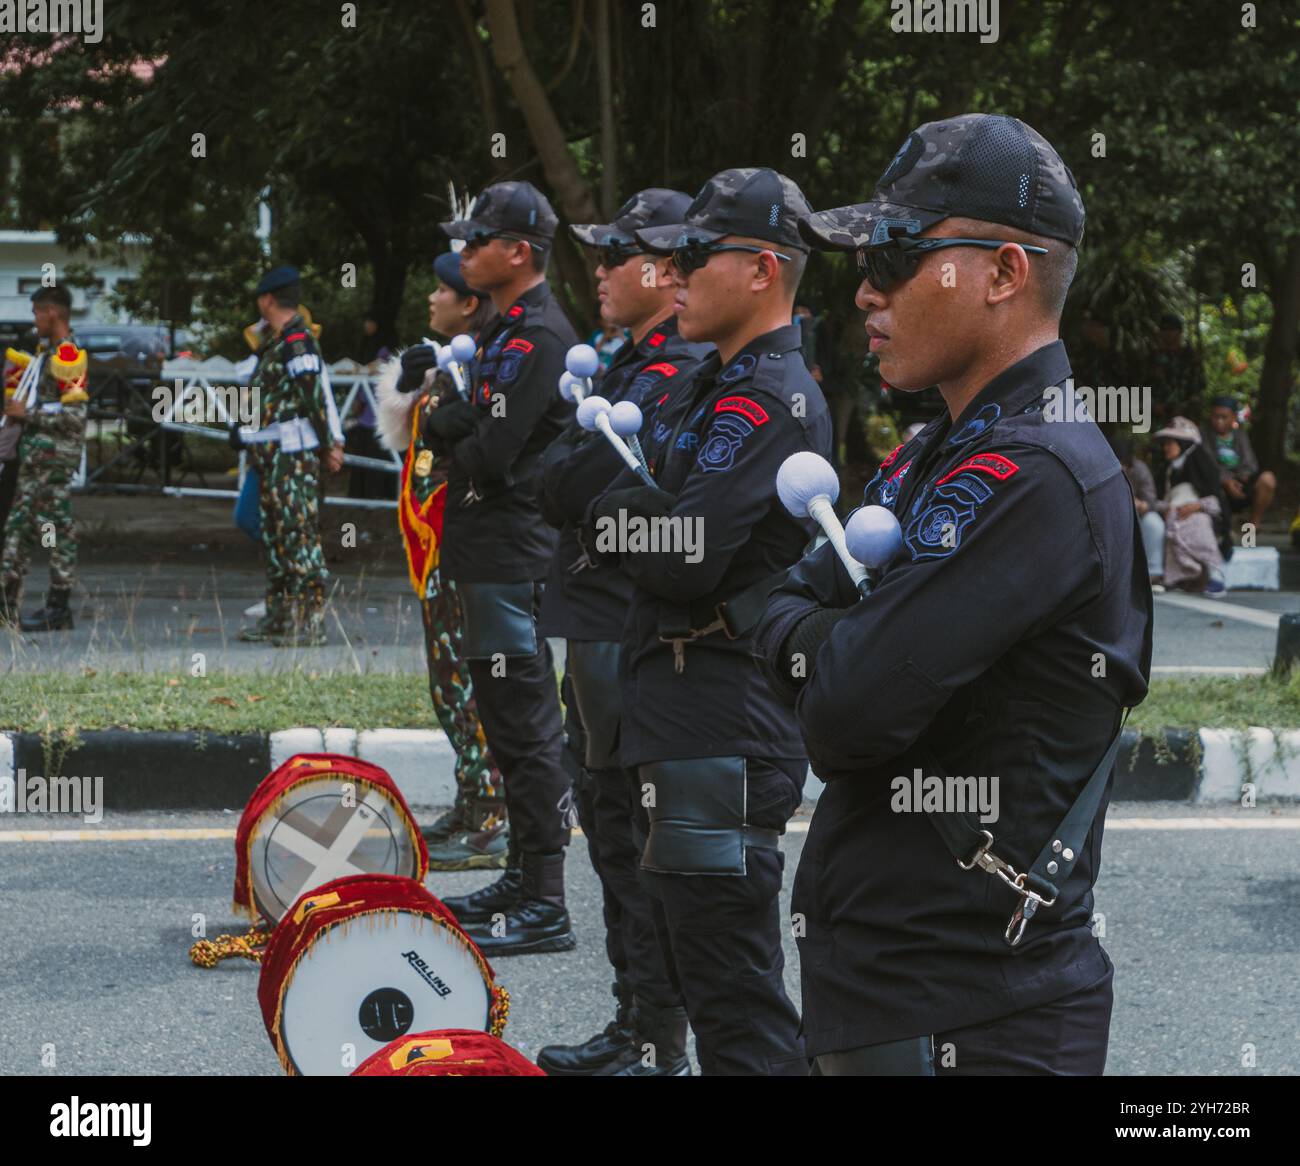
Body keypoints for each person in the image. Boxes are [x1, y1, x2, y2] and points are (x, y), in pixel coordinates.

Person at [754, 114, 1152, 1075]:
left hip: (972, 1026)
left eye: (898, 255)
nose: (865, 292)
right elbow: (779, 608)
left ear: (1005, 273)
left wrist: (815, 637)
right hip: (908, 1001)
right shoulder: (941, 448)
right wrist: (816, 636)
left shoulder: (1034, 475)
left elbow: (844, 710)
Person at [584, 167, 831, 1076]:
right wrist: (626, 517)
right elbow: (580, 491)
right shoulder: (709, 385)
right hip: (683, 701)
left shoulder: (768, 397)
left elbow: (681, 552)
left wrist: (619, 519)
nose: (672, 271)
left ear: (763, 268)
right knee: (700, 964)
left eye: (693, 253)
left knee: (733, 994)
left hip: (723, 710)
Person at [535, 188, 710, 1076]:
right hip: (595, 619)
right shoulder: (627, 362)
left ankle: (655, 1042)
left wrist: (569, 475)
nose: (598, 272)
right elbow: (560, 472)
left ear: (664, 270)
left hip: (622, 627)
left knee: (631, 838)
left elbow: (571, 484)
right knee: (610, 834)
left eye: (615, 257)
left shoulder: (674, 370)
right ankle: (636, 1025)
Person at [430, 181, 579, 956]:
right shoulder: (508, 328)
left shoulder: (537, 336)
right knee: (504, 718)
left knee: (526, 726)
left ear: (518, 252)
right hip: (489, 550)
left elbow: (487, 448)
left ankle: (545, 899)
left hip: (512, 553)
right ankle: (523, 879)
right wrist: (453, 424)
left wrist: (444, 422)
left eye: (476, 241)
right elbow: (469, 431)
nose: (463, 255)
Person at [374, 251, 509, 872]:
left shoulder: (484, 364)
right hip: (434, 548)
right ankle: (471, 797)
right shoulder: (445, 365)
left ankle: (491, 817)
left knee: (469, 679)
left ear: (470, 302)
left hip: (463, 544)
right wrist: (407, 387)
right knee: (447, 680)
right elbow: (407, 441)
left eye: (443, 290)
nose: (431, 298)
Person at [234, 265, 344, 647]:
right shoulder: (276, 343)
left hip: (293, 456)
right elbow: (266, 397)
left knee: (299, 535)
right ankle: (279, 618)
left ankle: (312, 622)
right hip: (269, 455)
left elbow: (314, 395)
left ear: (268, 299)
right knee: (277, 537)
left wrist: (330, 444)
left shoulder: (298, 342)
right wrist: (243, 429)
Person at [0, 285, 89, 631]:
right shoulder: (45, 353)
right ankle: (8, 603)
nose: (35, 319)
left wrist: (27, 414)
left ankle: (58, 605)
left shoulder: (68, 355)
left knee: (57, 529)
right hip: (36, 457)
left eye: (38, 311)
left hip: (54, 459)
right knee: (18, 527)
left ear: (52, 312)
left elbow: (75, 418)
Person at [1154, 416, 1230, 595]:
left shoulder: (1202, 465)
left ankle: (1215, 575)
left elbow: (1216, 500)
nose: (1166, 448)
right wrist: (1166, 509)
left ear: (1183, 444)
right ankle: (1174, 577)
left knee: (1199, 523)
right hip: (1172, 514)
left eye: (1170, 443)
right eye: (1165, 444)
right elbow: (1157, 497)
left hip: (1204, 513)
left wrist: (1196, 506)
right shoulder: (1167, 469)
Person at [1204, 396, 1274, 532]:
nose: (1219, 421)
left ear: (1233, 417)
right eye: (1215, 417)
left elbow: (1251, 463)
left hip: (1240, 480)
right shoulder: (1204, 434)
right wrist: (1226, 480)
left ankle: (1254, 525)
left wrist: (1241, 477)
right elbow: (1207, 463)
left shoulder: (1240, 435)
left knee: (1268, 479)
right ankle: (1221, 526)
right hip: (1217, 482)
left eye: (1224, 417)